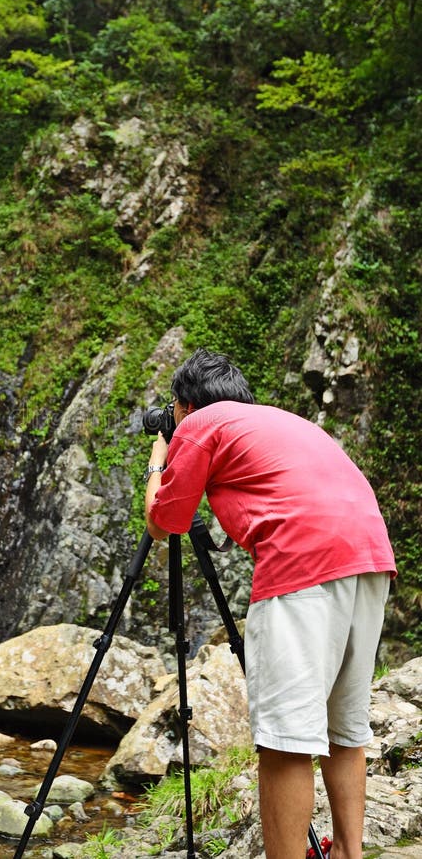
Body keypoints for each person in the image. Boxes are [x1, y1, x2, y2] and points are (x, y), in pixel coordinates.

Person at [144, 348, 396, 859]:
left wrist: (157, 462)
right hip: (370, 556)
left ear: (183, 406)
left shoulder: (199, 423)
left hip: (303, 563)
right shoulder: (276, 422)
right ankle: (350, 852)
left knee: (286, 740)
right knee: (344, 728)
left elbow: (164, 521)